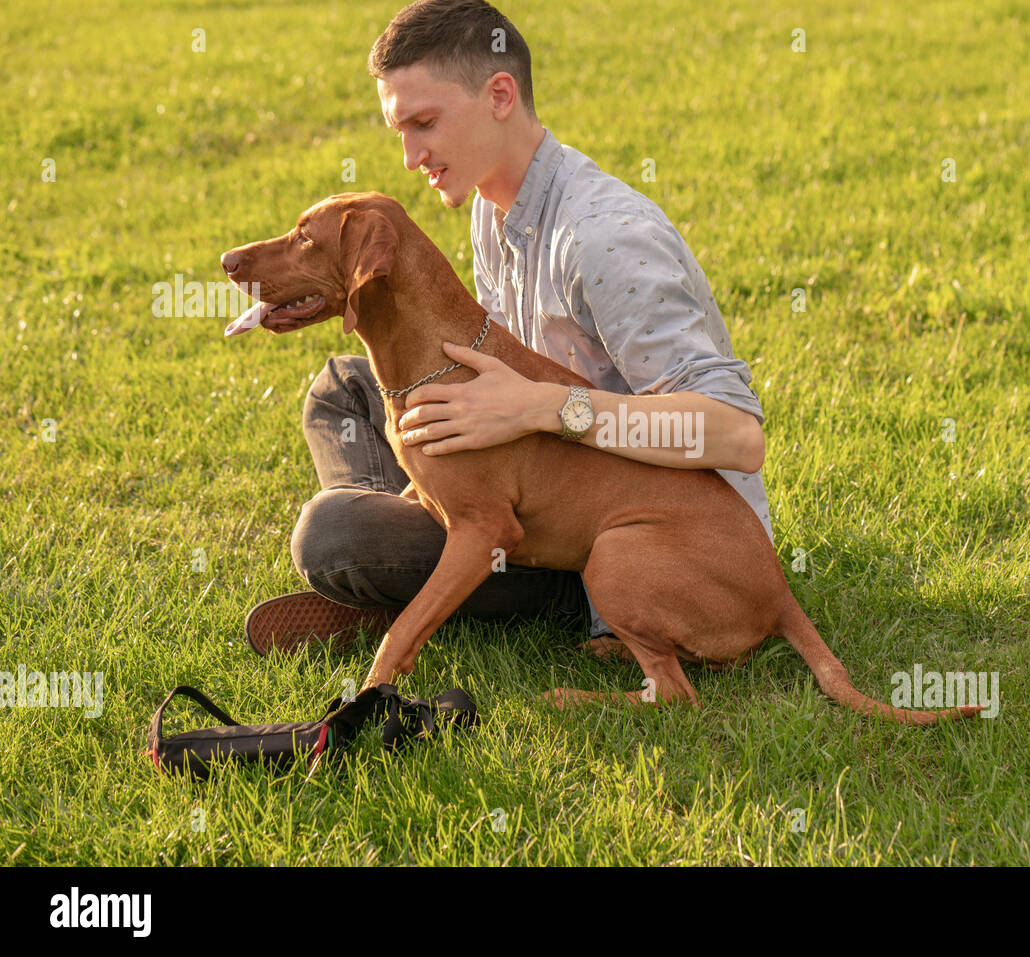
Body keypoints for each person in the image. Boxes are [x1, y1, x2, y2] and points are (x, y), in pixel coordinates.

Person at [244, 0, 773, 662]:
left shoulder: (603, 238)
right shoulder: (494, 208)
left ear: (500, 95)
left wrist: (548, 408)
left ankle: (407, 584)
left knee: (334, 532)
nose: (410, 157)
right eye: (397, 130)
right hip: (523, 471)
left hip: (627, 539)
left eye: (425, 123)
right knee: (342, 389)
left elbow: (734, 434)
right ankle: (419, 575)